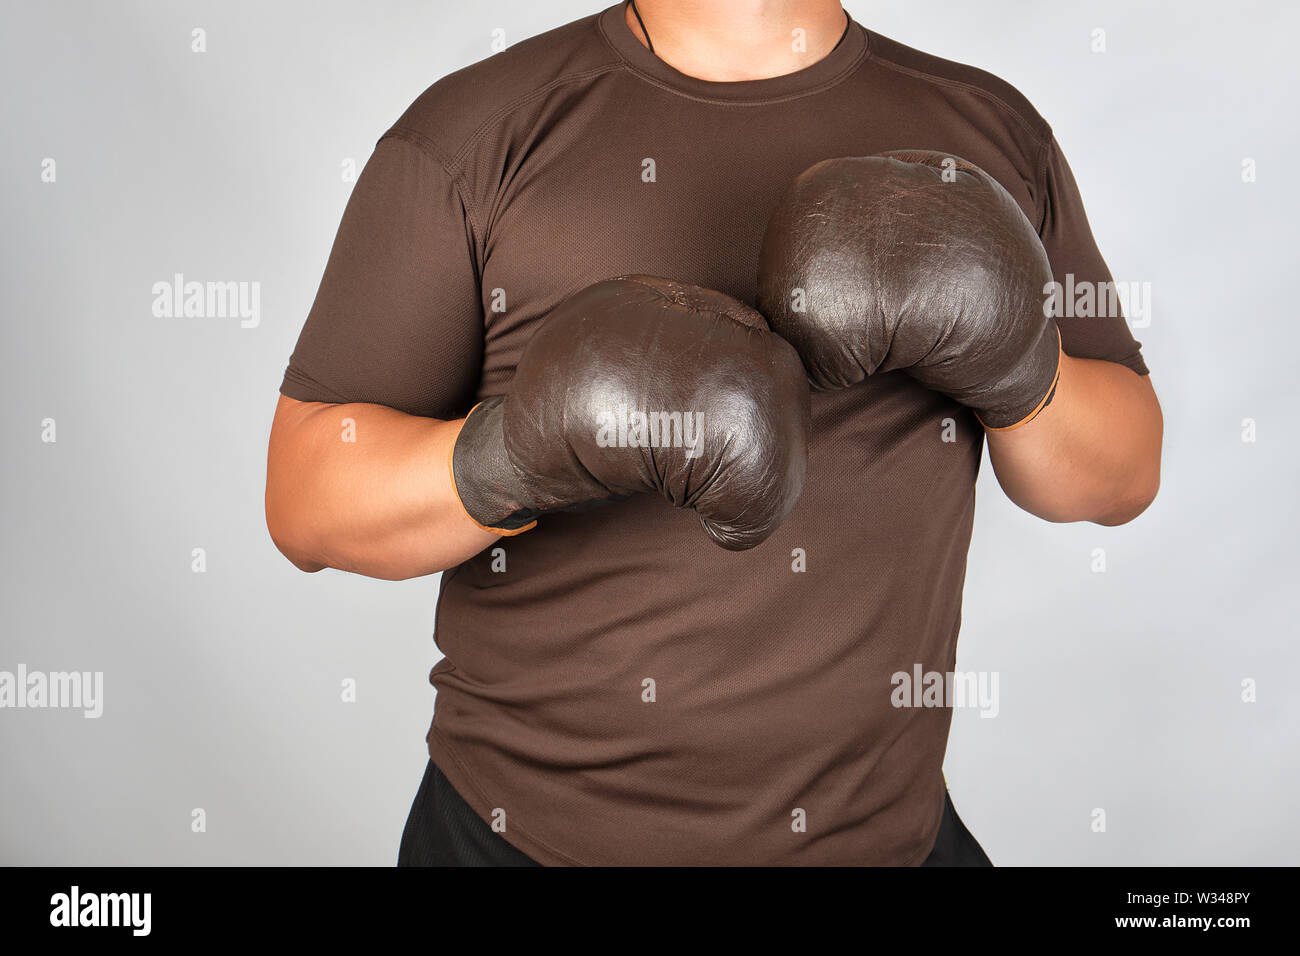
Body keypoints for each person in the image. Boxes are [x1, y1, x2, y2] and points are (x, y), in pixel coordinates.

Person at [265, 0, 1162, 866]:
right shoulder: (474, 132)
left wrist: (1018, 363)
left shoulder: (989, 133)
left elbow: (1119, 478)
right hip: (518, 839)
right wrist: (514, 453)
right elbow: (306, 501)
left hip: (889, 839)